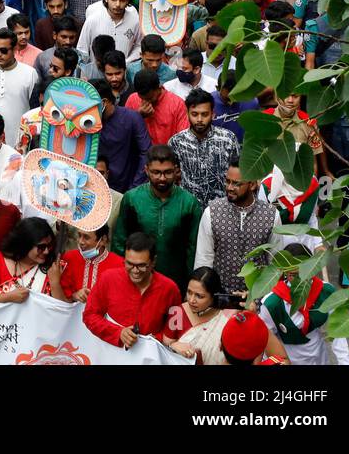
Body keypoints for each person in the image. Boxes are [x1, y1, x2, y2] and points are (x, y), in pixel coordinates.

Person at [112, 145, 202, 286]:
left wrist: (190, 283)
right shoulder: (132, 199)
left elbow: (194, 249)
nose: (162, 178)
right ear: (146, 170)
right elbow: (119, 243)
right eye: (156, 172)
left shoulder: (189, 203)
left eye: (168, 172)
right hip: (136, 280)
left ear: (176, 171)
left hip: (176, 283)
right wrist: (120, 280)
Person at [259, 243, 349, 365]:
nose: (300, 280)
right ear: (285, 272)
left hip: (320, 358)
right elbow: (265, 340)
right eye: (293, 275)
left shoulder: (325, 291)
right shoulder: (272, 303)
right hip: (289, 359)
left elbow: (338, 334)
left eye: (305, 273)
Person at [85, 232, 182, 349]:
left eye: (141, 265)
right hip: (110, 352)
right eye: (129, 264)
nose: (135, 271)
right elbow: (89, 315)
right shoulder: (108, 278)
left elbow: (175, 327)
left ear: (153, 262)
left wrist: (159, 339)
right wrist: (118, 332)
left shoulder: (171, 289)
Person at [194, 161, 277, 297]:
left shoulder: (271, 215)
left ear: (252, 184)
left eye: (237, 183)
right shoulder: (212, 212)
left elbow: (274, 263)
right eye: (227, 181)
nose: (230, 187)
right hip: (219, 297)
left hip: (257, 299)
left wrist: (260, 295)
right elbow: (204, 259)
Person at [168, 89, 241, 206]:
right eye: (194, 114)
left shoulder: (228, 139)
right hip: (188, 209)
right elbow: (172, 179)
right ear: (187, 114)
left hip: (223, 209)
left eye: (204, 114)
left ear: (213, 114)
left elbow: (239, 174)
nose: (199, 119)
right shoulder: (176, 142)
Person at [163, 267, 238, 364]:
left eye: (199, 296)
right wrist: (173, 346)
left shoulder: (227, 316)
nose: (191, 300)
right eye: (189, 292)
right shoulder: (177, 313)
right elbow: (164, 348)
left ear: (214, 296)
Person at [0, 216, 65, 302]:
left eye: (49, 245)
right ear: (25, 244)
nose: (46, 251)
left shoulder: (54, 268)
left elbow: (64, 311)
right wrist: (8, 297)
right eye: (41, 247)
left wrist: (55, 284)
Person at [56, 224, 124, 303]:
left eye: (86, 237)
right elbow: (61, 292)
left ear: (102, 240)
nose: (80, 241)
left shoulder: (119, 265)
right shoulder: (69, 258)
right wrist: (74, 295)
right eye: (79, 235)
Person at [124, 69, 188, 146]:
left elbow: (183, 137)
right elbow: (124, 131)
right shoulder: (132, 100)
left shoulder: (177, 104)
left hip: (168, 155)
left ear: (159, 87)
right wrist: (138, 116)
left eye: (150, 98)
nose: (146, 102)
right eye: (142, 98)